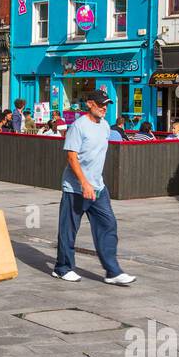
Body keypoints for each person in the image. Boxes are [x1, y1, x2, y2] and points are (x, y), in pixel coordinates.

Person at [52, 90, 135, 287]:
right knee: (69, 229)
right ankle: (62, 268)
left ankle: (113, 272)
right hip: (76, 188)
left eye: (106, 104)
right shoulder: (78, 127)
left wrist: (94, 183)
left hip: (98, 187)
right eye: (100, 104)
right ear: (89, 104)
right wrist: (84, 183)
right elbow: (71, 157)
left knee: (108, 224)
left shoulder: (105, 126)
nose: (104, 107)